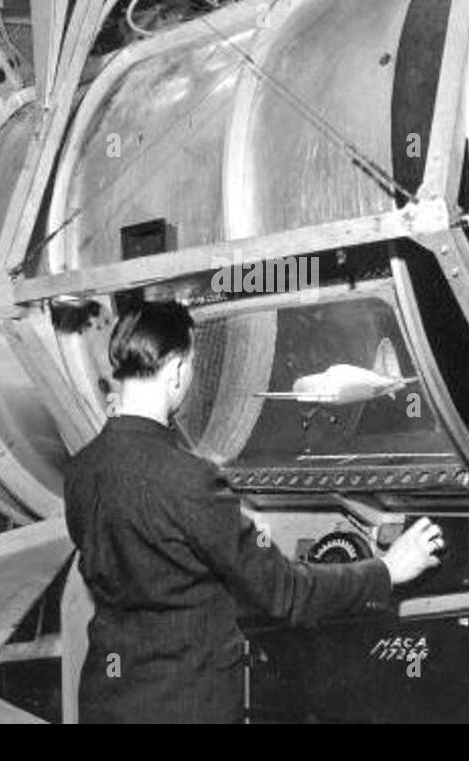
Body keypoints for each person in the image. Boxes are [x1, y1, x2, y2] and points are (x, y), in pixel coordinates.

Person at [64, 301, 444, 723]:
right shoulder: (190, 480)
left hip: (106, 702)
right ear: (175, 369)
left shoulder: (81, 469)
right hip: (185, 708)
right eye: (191, 364)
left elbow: (133, 569)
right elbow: (287, 596)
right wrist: (387, 569)